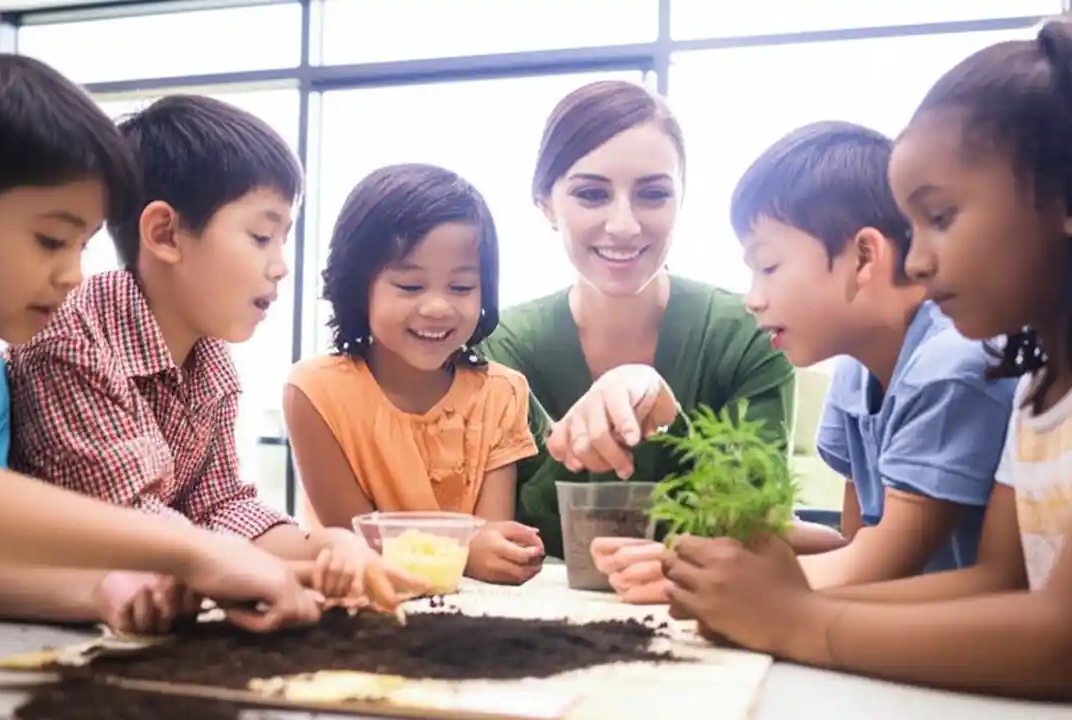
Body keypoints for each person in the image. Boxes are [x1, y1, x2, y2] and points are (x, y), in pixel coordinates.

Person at [665, 21, 1072, 712]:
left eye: (941, 218)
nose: (914, 261)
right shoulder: (1040, 384)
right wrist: (772, 602)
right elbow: (1001, 579)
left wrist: (800, 621)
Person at [0, 39, 327, 632]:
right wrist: (199, 552)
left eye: (83, 246)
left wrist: (107, 592)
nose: (74, 274)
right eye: (51, 241)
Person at [0, 95, 414, 634]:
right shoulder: (73, 341)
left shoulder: (209, 363)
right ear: (163, 234)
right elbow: (129, 522)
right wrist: (292, 571)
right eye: (260, 236)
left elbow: (221, 504)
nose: (279, 266)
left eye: (282, 239)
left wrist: (324, 545)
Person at [582, 122, 1016, 602]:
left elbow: (888, 562)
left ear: (864, 256)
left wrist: (702, 579)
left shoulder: (950, 361)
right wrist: (701, 550)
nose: (753, 299)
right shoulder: (855, 372)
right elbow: (860, 544)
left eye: (768, 267)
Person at [480, 79, 812, 561]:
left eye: (653, 195)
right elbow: (515, 524)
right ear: (546, 204)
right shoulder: (501, 348)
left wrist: (657, 411)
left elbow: (751, 520)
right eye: (591, 194)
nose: (624, 225)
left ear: (682, 200)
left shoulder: (750, 334)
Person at [286, 164, 545, 586]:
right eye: (409, 286)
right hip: (361, 609)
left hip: (470, 621)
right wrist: (466, 550)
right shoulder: (315, 391)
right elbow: (356, 539)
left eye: (461, 288)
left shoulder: (502, 392)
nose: (438, 307)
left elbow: (492, 536)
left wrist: (503, 552)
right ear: (357, 287)